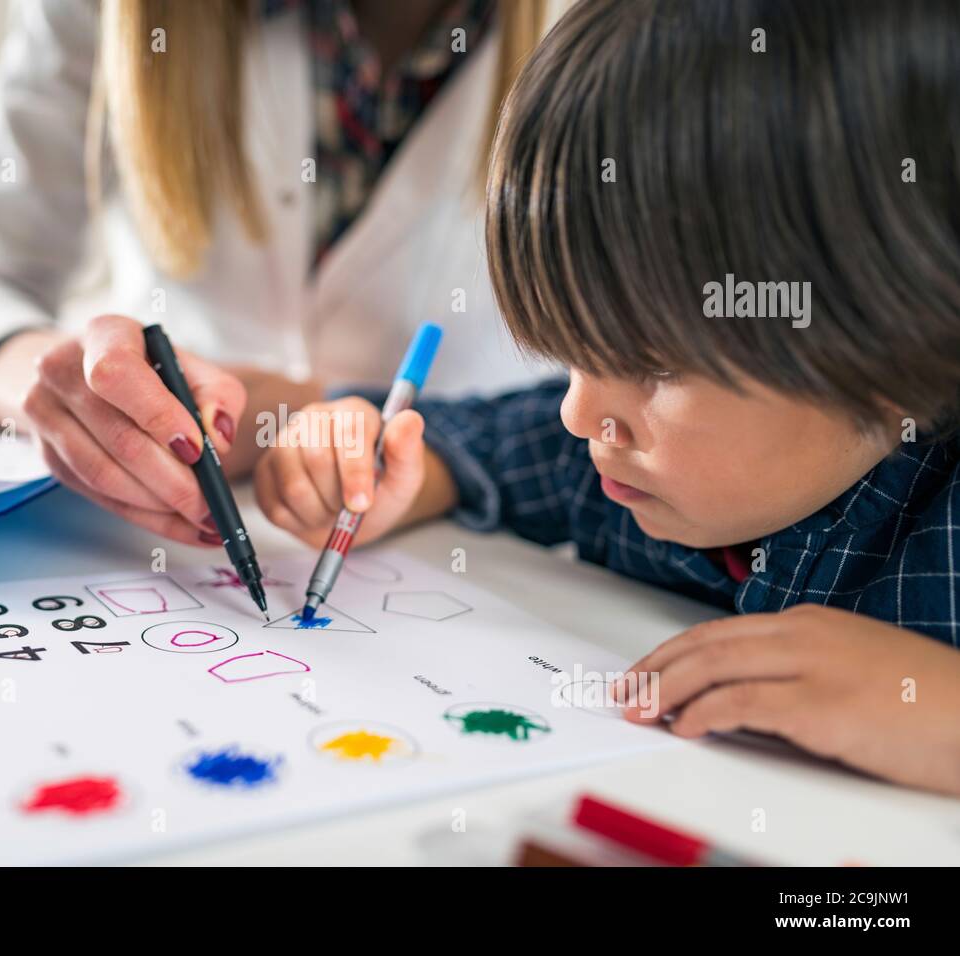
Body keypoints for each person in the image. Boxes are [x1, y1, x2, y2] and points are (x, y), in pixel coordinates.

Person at [252, 0, 960, 794]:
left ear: (895, 333)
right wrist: (379, 460)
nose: (579, 415)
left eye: (653, 367)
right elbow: (488, 447)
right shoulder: (641, 462)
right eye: (573, 353)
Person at [0, 0, 567, 546]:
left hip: (497, 548)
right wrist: (63, 389)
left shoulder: (633, 32)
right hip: (140, 540)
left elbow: (659, 380)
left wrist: (338, 412)